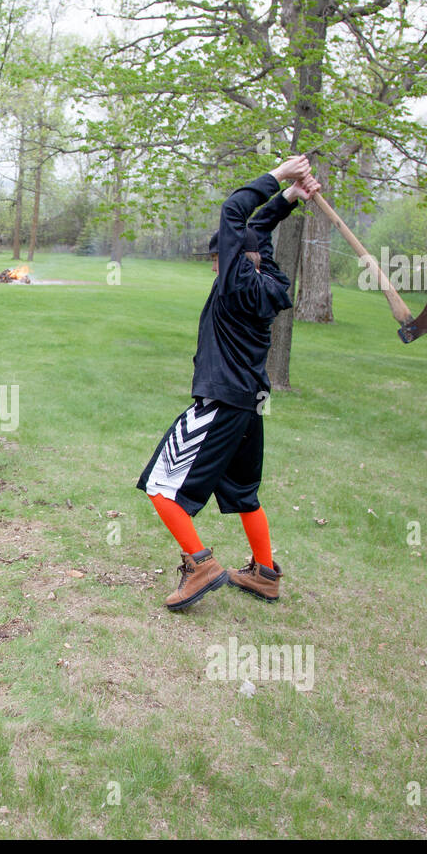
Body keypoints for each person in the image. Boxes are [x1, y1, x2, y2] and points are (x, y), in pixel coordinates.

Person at [137, 157, 320, 610]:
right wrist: (290, 199)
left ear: (229, 257)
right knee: (243, 494)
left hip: (220, 402)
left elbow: (236, 211)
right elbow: (256, 232)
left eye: (217, 256)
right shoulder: (271, 280)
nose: (214, 263)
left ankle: (199, 564)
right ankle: (264, 573)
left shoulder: (232, 281)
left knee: (162, 485)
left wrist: (278, 175)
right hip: (251, 403)